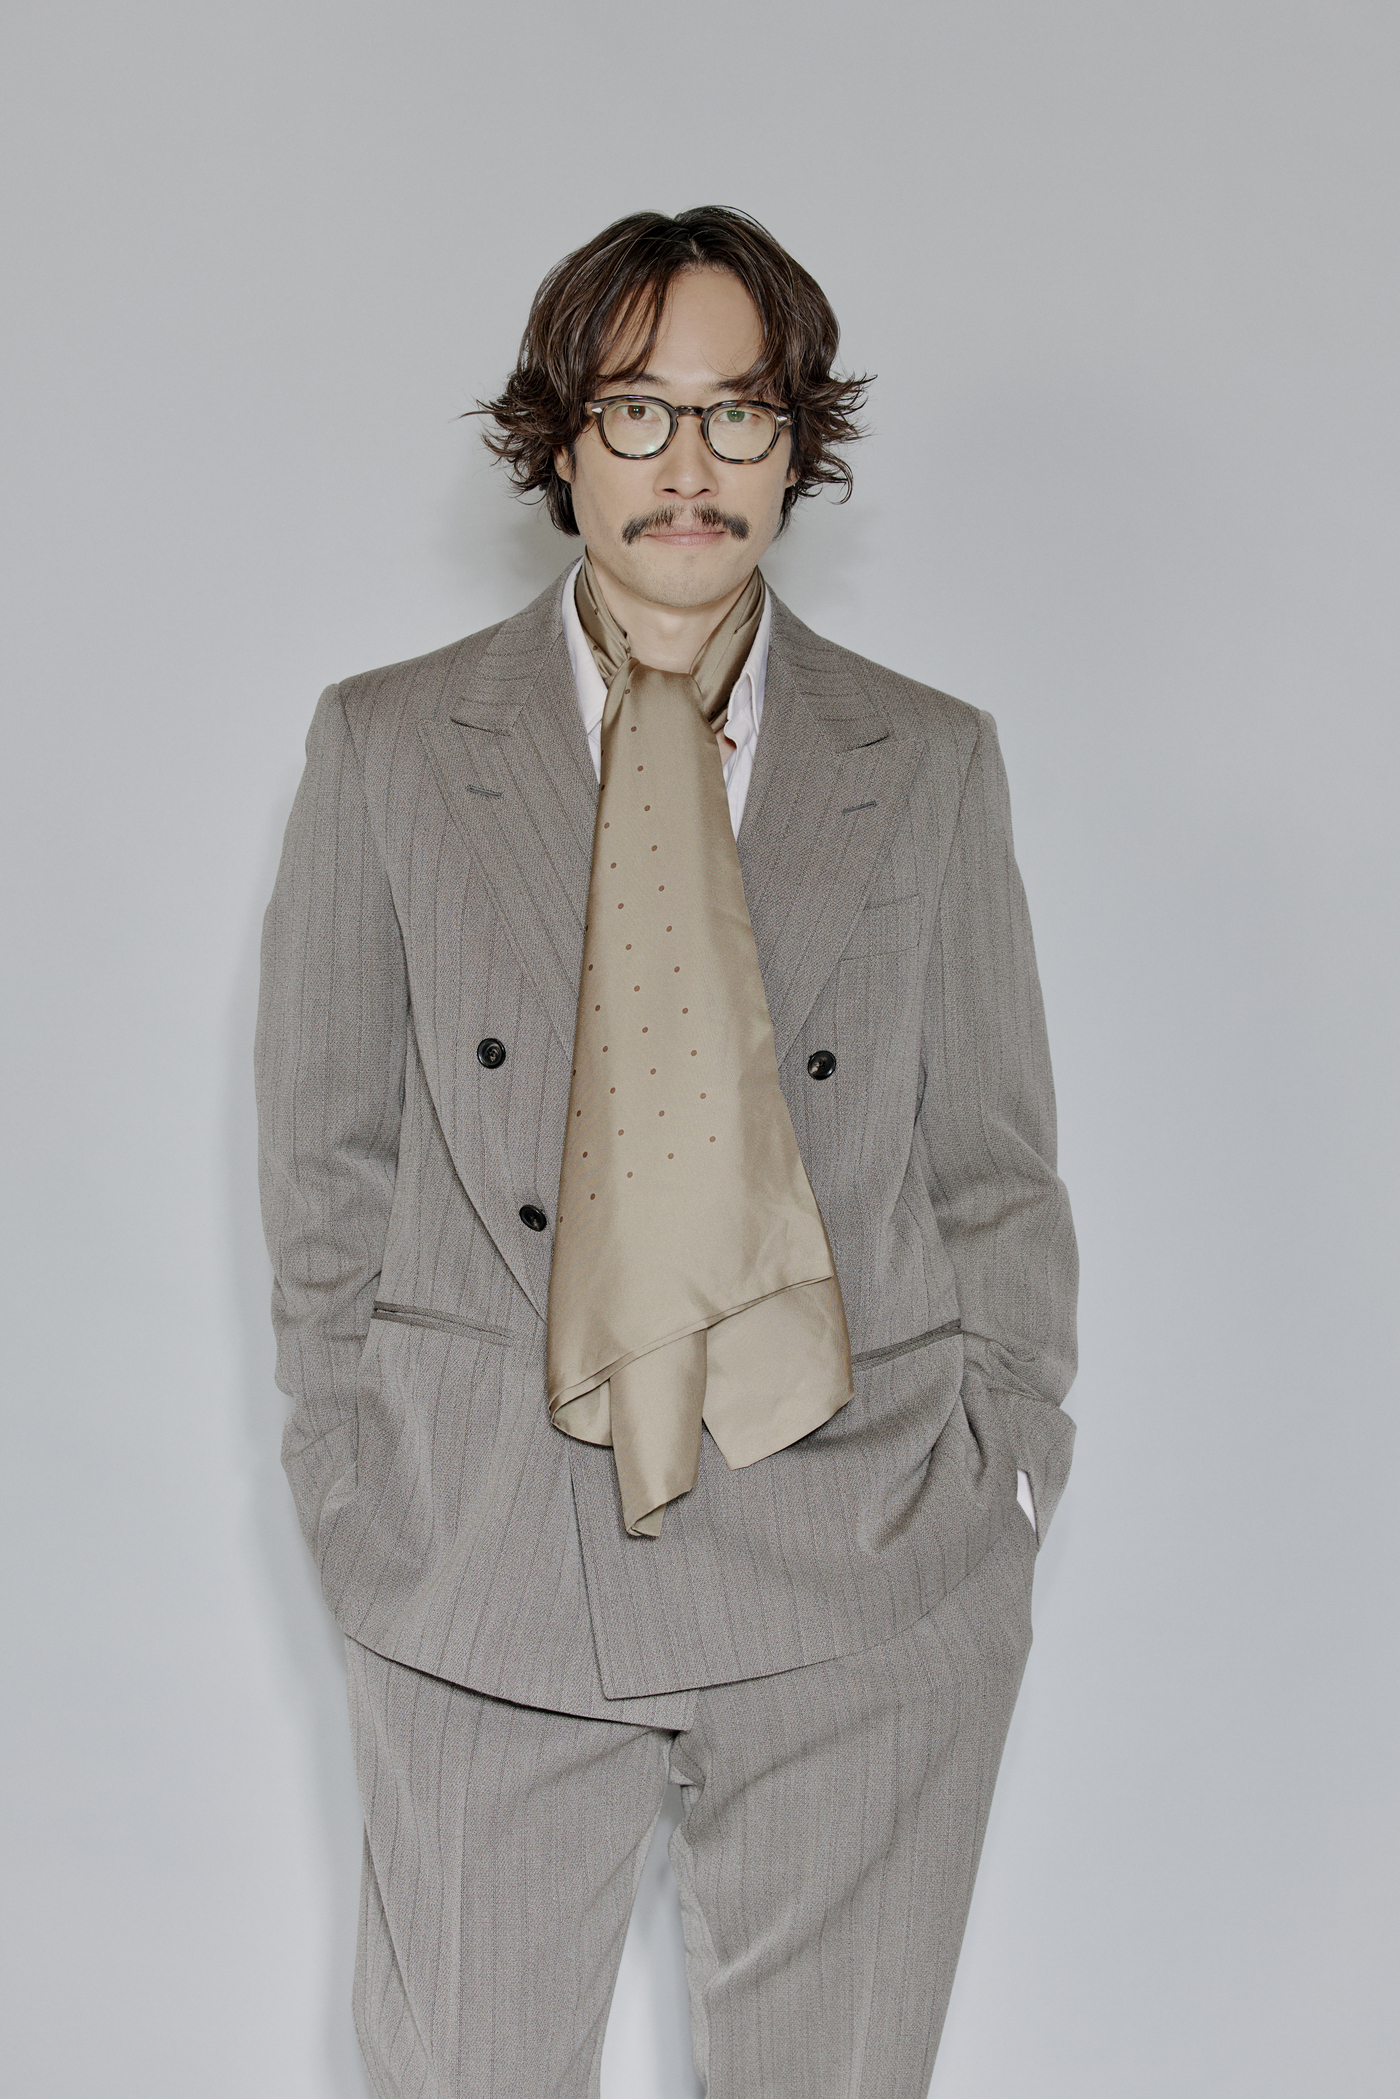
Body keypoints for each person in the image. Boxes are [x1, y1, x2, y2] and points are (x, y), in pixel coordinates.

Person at [256, 204, 1077, 2099]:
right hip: (483, 1559)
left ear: (798, 445)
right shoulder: (390, 746)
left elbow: (995, 1164)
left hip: (864, 1565)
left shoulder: (927, 758)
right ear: (561, 441)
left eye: (737, 413)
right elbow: (324, 1161)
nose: (687, 464)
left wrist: (1006, 1478)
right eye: (636, 410)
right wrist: (355, 1475)